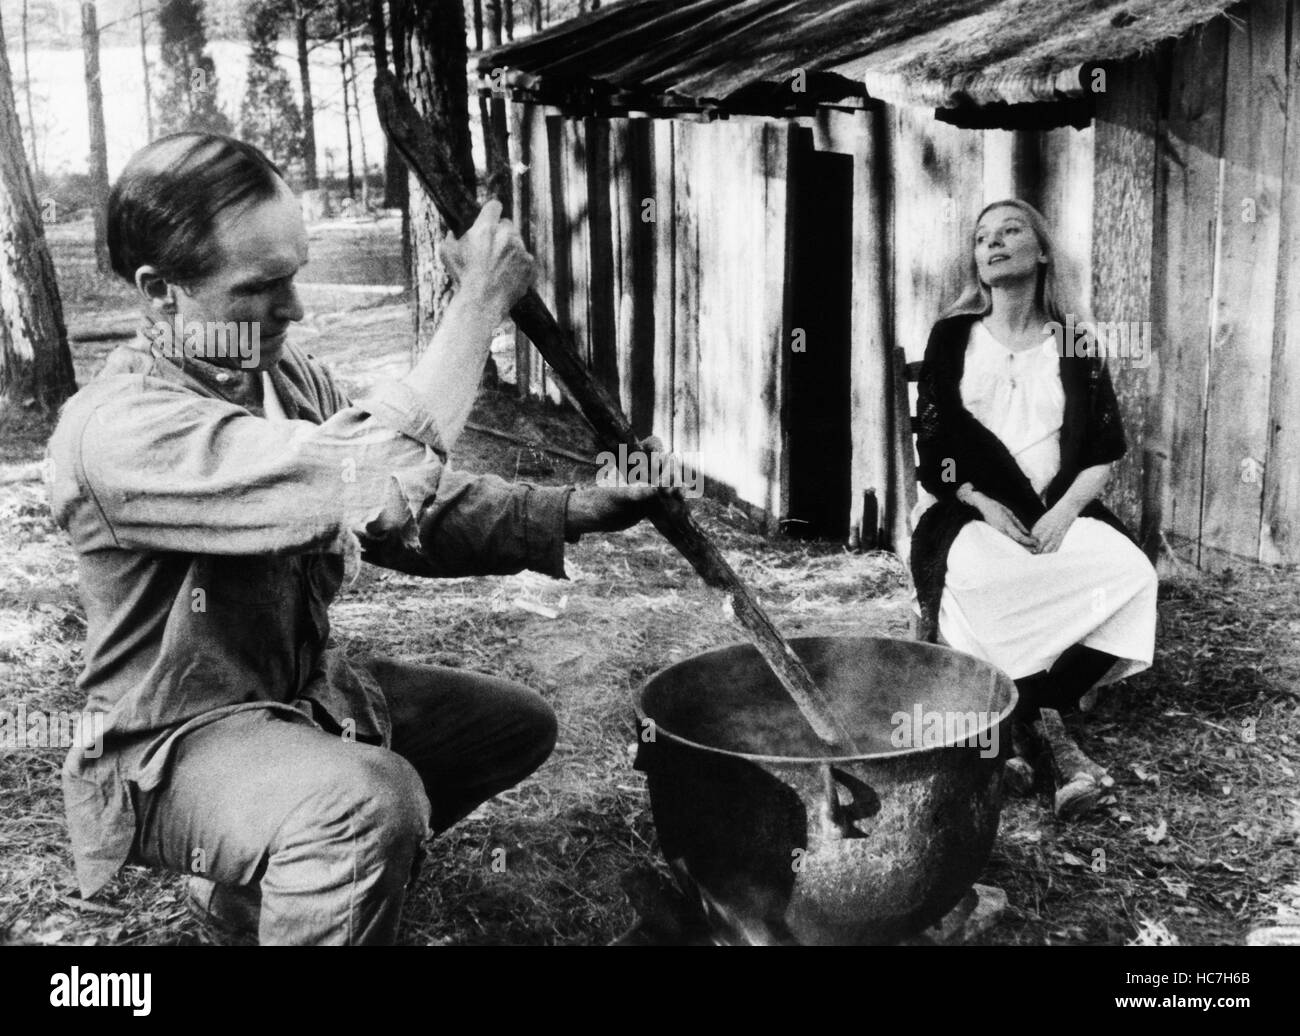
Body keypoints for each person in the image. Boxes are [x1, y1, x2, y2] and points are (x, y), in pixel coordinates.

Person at [47, 133, 662, 944]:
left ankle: (254, 889)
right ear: (160, 291)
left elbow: (409, 513)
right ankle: (300, 851)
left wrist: (573, 509)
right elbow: (379, 475)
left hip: (297, 701)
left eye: (294, 275)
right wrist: (478, 306)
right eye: (261, 287)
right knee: (363, 806)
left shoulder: (280, 374)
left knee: (510, 724)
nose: (294, 309)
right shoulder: (119, 429)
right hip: (169, 751)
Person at [909, 199, 1158, 818]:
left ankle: (1025, 713)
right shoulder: (952, 336)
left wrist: (1065, 514)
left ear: (1041, 251)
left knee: (1130, 576)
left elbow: (1103, 450)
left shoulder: (1073, 343)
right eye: (981, 237)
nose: (992, 244)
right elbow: (935, 449)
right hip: (970, 511)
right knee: (982, 575)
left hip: (1055, 512)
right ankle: (1042, 726)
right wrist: (980, 503)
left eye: (1009, 231)